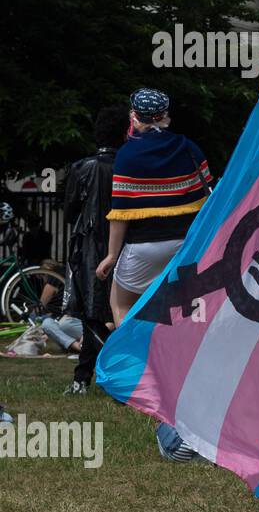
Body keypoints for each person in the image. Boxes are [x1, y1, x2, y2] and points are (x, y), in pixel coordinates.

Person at [95, 89, 214, 326]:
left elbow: (121, 213)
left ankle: (132, 359)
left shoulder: (127, 155)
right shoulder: (188, 147)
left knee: (121, 304)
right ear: (164, 115)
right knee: (182, 312)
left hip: (143, 247)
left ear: (135, 116)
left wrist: (111, 255)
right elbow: (208, 196)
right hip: (185, 244)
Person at [63, 105, 128, 394]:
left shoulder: (81, 168)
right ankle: (91, 375)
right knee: (121, 311)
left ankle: (87, 377)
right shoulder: (130, 166)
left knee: (92, 315)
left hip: (89, 248)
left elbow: (69, 211)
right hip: (126, 245)